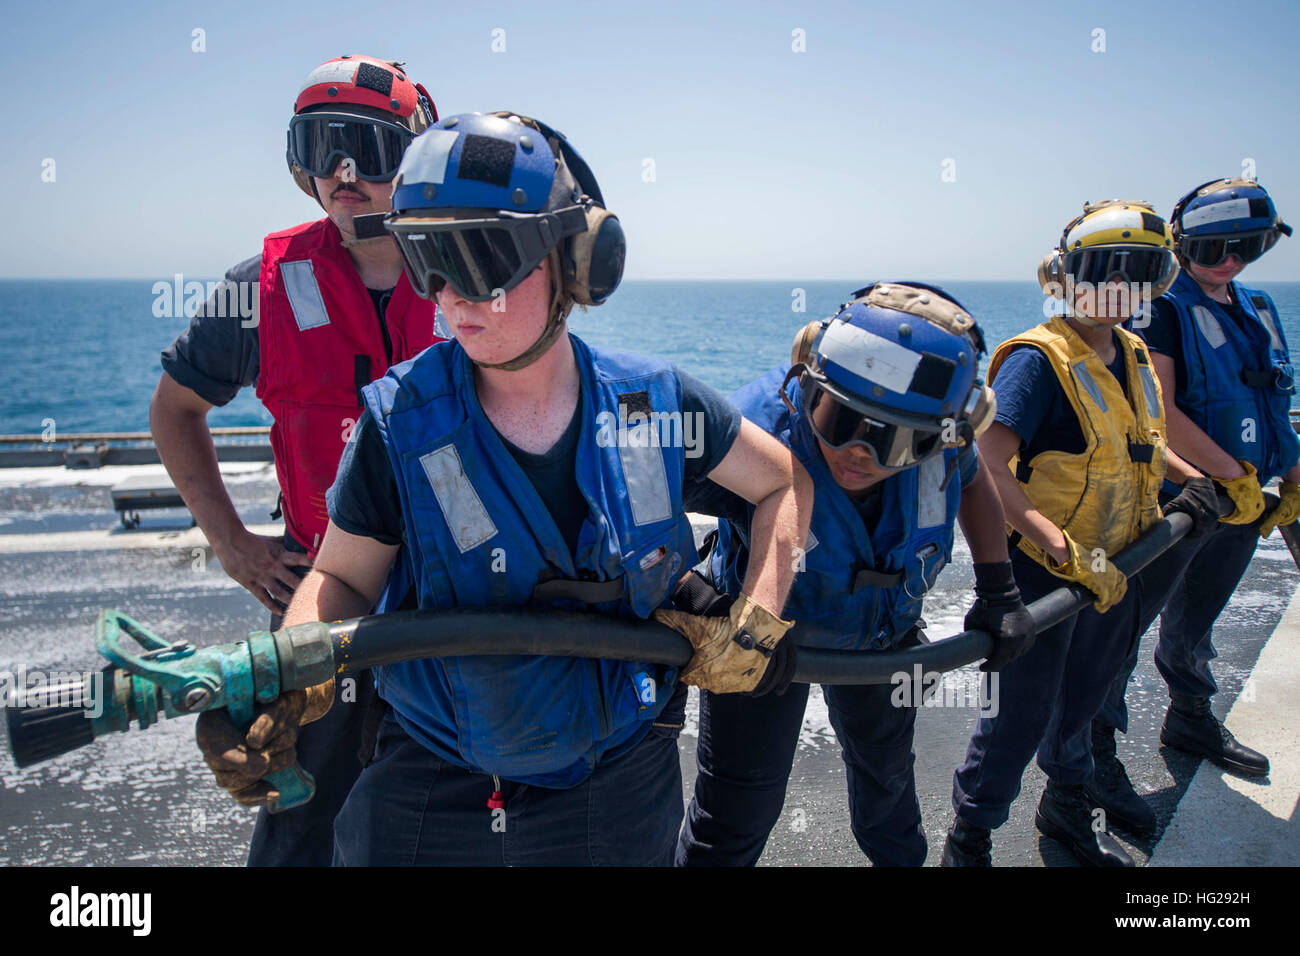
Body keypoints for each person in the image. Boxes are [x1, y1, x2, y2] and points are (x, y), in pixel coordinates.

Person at [195, 111, 814, 866]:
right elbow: (342, 577)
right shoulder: (401, 425)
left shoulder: (654, 404)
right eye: (427, 261)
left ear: (575, 259)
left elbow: (781, 482)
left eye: (481, 257)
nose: (453, 297)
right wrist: (293, 674)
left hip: (614, 783)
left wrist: (759, 612)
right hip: (434, 787)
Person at [152, 55, 443, 865]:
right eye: (324, 148)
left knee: (451, 808)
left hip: (453, 602)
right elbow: (175, 408)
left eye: (368, 150)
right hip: (323, 595)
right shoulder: (264, 289)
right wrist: (234, 543)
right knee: (301, 815)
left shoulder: (469, 269)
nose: (344, 174)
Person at [675, 282, 1036, 867]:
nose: (858, 454)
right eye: (838, 419)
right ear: (805, 387)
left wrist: (1001, 590)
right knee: (735, 814)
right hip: (759, 646)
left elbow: (972, 480)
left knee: (889, 796)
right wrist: (702, 598)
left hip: (882, 647)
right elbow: (639, 499)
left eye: (896, 441)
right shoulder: (758, 423)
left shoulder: (944, 434)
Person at [943, 200, 1218, 867]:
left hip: (1118, 561)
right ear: (1069, 276)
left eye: (1140, 274)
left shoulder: (1129, 351)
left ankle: (1066, 809)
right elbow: (984, 466)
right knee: (1019, 715)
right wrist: (1063, 550)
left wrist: (1198, 481)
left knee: (1089, 693)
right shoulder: (1039, 363)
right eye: (1103, 272)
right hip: (1048, 573)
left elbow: (1139, 442)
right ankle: (969, 840)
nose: (1118, 291)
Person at [1097, 179, 1299, 788]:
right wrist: (1229, 477)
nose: (1232, 261)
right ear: (1183, 249)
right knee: (1120, 632)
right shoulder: (1158, 308)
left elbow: (1274, 400)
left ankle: (1189, 717)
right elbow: (1158, 411)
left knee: (1197, 622)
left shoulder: (1258, 306)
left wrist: (1290, 479)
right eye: (1215, 250)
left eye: (1250, 246)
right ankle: (1094, 756)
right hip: (1172, 505)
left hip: (1242, 504)